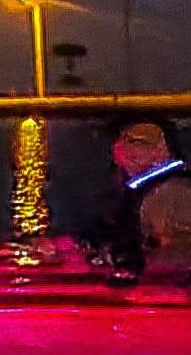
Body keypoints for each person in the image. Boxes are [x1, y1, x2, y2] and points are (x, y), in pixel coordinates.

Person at [67, 119, 190, 285]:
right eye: (121, 139)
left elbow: (175, 255)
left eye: (136, 142)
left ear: (162, 149)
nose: (121, 148)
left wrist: (133, 260)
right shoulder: (130, 189)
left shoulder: (174, 192)